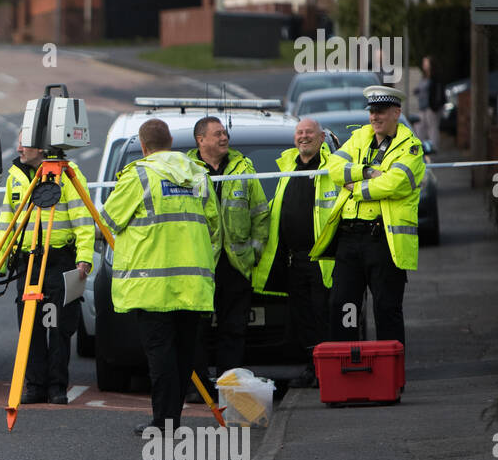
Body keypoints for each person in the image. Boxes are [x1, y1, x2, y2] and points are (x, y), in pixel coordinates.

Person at [102, 119, 220, 434]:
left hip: (152, 285)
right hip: (192, 284)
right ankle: (172, 420)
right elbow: (214, 225)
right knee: (182, 356)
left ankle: (163, 422)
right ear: (170, 142)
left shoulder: (139, 175)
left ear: (143, 146)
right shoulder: (197, 174)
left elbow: (109, 220)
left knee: (160, 357)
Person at [312, 85, 425, 352]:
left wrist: (357, 188)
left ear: (396, 112)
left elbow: (394, 184)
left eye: (381, 111)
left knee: (386, 309)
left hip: (384, 240)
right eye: (372, 112)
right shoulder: (360, 137)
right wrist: (366, 171)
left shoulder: (411, 147)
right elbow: (334, 167)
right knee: (343, 306)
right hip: (349, 238)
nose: (374, 117)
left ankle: (390, 381)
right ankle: (347, 372)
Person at [0, 141, 95, 405]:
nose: (18, 149)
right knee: (31, 326)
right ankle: (35, 385)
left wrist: (84, 257)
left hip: (60, 261)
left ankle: (57, 387)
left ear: (41, 148)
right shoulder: (15, 176)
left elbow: (83, 219)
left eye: (24, 144)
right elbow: (7, 221)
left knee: (58, 326)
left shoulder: (66, 174)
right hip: (28, 263)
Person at [251, 118, 338, 388]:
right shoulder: (288, 166)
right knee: (302, 319)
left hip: (323, 259)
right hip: (293, 259)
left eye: (309, 133)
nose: (303, 137)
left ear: (322, 137)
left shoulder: (332, 167)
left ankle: (328, 372)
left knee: (323, 316)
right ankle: (311, 368)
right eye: (299, 133)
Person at [189, 116, 269, 380]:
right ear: (201, 140)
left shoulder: (243, 168)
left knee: (234, 330)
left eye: (225, 133)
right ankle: (197, 386)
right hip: (200, 265)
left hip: (236, 264)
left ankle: (229, 387)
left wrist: (253, 252)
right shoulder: (185, 171)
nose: (224, 138)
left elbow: (260, 213)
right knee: (196, 331)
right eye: (217, 134)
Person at [416, 55, 442, 149]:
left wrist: (435, 106)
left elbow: (438, 92)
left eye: (426, 63)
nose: (424, 65)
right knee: (420, 128)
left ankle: (433, 148)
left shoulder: (435, 77)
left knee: (432, 128)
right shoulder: (424, 77)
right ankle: (419, 147)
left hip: (431, 107)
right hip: (422, 107)